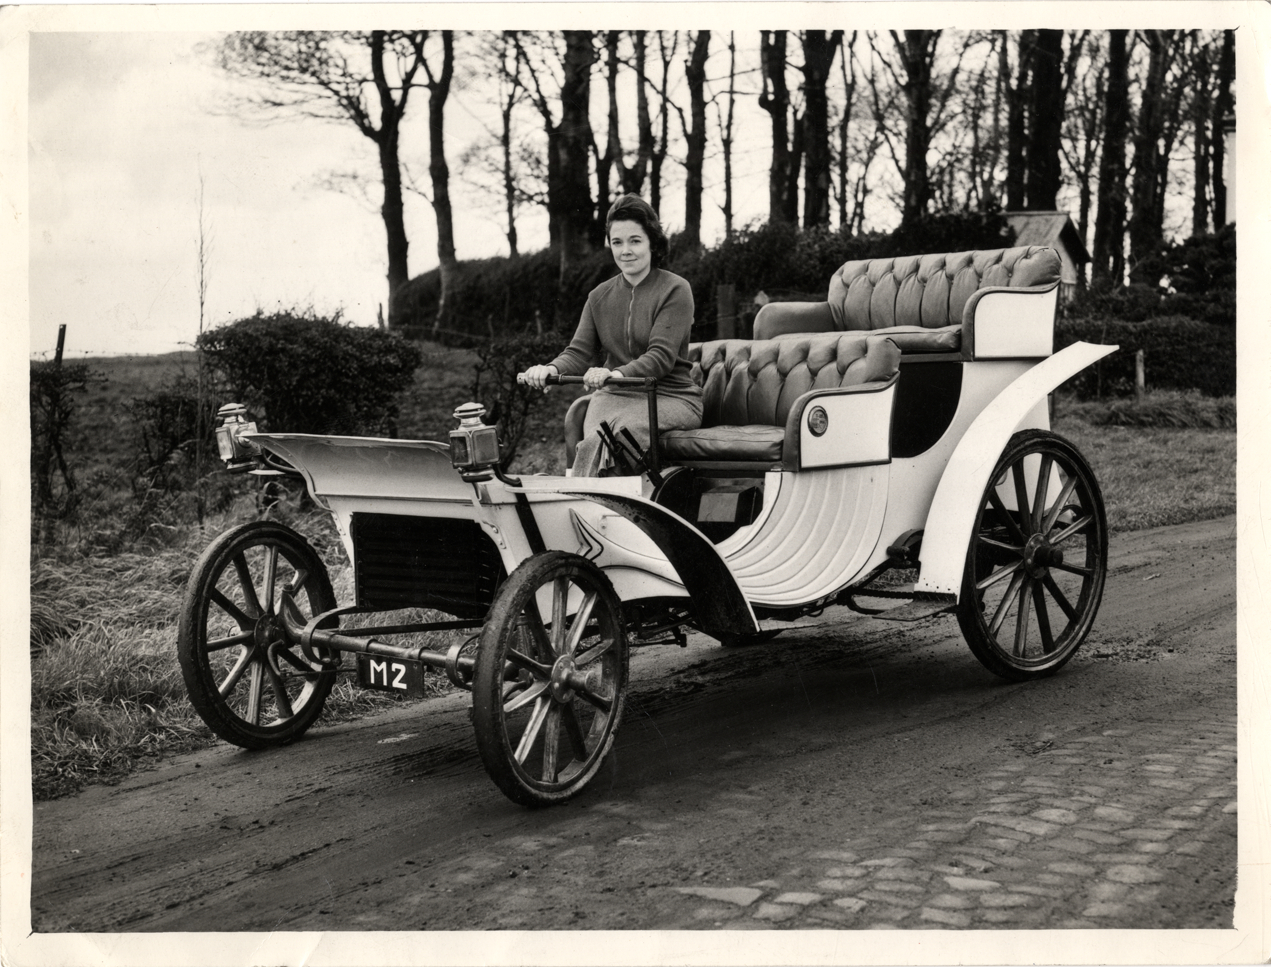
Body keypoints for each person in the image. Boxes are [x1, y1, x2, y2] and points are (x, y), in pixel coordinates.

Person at [520, 195, 703, 477]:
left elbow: (661, 357)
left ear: (653, 243)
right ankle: (580, 498)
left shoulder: (675, 289)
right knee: (596, 440)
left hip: (668, 397)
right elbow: (578, 352)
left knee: (619, 436)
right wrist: (550, 369)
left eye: (635, 241)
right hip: (612, 396)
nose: (625, 251)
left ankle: (587, 495)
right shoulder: (598, 296)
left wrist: (614, 374)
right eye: (617, 242)